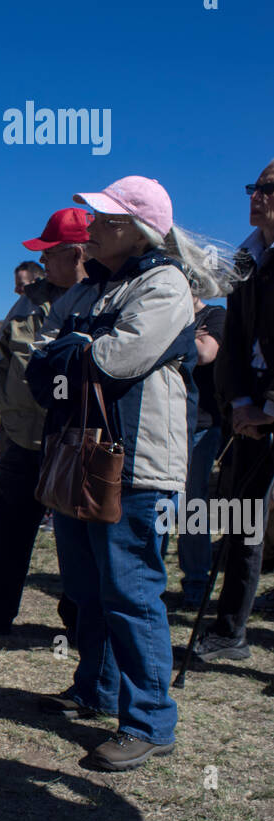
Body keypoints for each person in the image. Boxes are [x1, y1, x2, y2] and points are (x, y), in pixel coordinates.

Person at [26, 175, 234, 771]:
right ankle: (98, 689)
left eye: (103, 219)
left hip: (135, 463)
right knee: (88, 587)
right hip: (83, 456)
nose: (89, 226)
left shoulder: (164, 283)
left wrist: (76, 346)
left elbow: (116, 361)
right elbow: (41, 365)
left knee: (131, 589)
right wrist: (77, 346)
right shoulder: (92, 290)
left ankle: (148, 721)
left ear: (135, 229)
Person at [0, 208, 91, 639]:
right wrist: (6, 414)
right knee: (7, 529)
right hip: (22, 440)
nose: (43, 263)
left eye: (50, 253)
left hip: (79, 442)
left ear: (77, 252)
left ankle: (81, 623)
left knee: (78, 538)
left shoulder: (103, 296)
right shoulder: (28, 300)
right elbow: (3, 360)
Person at [194, 160, 274, 662]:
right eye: (255, 187)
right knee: (244, 517)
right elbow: (237, 340)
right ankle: (230, 631)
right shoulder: (246, 261)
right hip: (251, 411)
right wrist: (243, 404)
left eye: (268, 188)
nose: (257, 195)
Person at [173, 288, 227, 607]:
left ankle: (196, 581)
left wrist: (175, 335)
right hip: (168, 423)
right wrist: (187, 335)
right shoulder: (181, 320)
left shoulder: (215, 315)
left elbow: (206, 353)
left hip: (203, 425)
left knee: (193, 503)